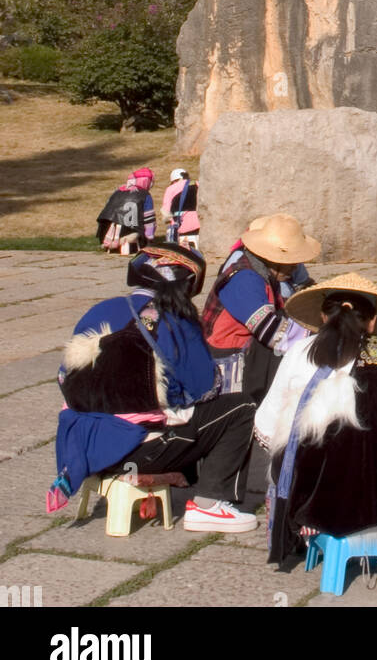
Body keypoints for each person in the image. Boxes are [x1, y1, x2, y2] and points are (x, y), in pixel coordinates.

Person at [48, 242, 258, 534]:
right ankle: (211, 504)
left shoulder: (100, 310)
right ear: (186, 286)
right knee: (240, 407)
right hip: (134, 450)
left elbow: (64, 377)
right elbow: (204, 389)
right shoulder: (176, 323)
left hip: (83, 445)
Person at [254, 273, 377, 581]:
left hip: (308, 506)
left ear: (323, 316)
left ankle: (307, 535)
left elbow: (266, 432)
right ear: (372, 322)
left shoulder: (298, 354)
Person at [201, 214, 321, 403]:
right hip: (228, 365)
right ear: (274, 258)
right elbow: (272, 332)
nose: (296, 267)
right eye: (292, 262)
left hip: (248, 354)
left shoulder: (263, 274)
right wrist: (321, 336)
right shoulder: (244, 279)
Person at [96, 167, 157, 255]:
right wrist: (149, 236)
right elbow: (149, 218)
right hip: (130, 233)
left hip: (108, 232)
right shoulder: (145, 195)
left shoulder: (117, 191)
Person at [161, 168, 200, 248]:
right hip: (199, 225)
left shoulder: (170, 189)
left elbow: (166, 213)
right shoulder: (198, 184)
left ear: (173, 180)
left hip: (180, 227)